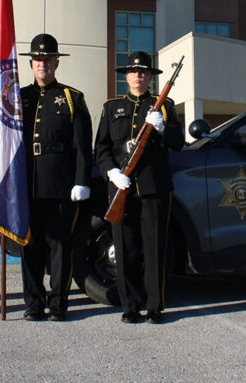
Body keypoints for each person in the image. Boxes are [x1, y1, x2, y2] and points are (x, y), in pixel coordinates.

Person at [94, 51, 184, 324]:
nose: (138, 76)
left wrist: (163, 128)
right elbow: (102, 148)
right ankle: (130, 305)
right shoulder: (112, 107)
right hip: (122, 187)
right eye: (134, 72)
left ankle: (155, 306)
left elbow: (178, 143)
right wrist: (111, 172)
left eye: (143, 72)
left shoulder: (164, 105)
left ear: (150, 77)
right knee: (125, 248)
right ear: (127, 76)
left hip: (154, 188)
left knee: (155, 249)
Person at [18, 33, 93, 321]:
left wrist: (81, 180)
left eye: (48, 59)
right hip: (27, 183)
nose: (43, 64)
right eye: (38, 59)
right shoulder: (19, 98)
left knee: (61, 245)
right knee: (30, 245)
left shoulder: (72, 98)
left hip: (60, 183)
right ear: (31, 63)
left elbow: (82, 146)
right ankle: (33, 303)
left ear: (56, 63)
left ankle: (59, 303)